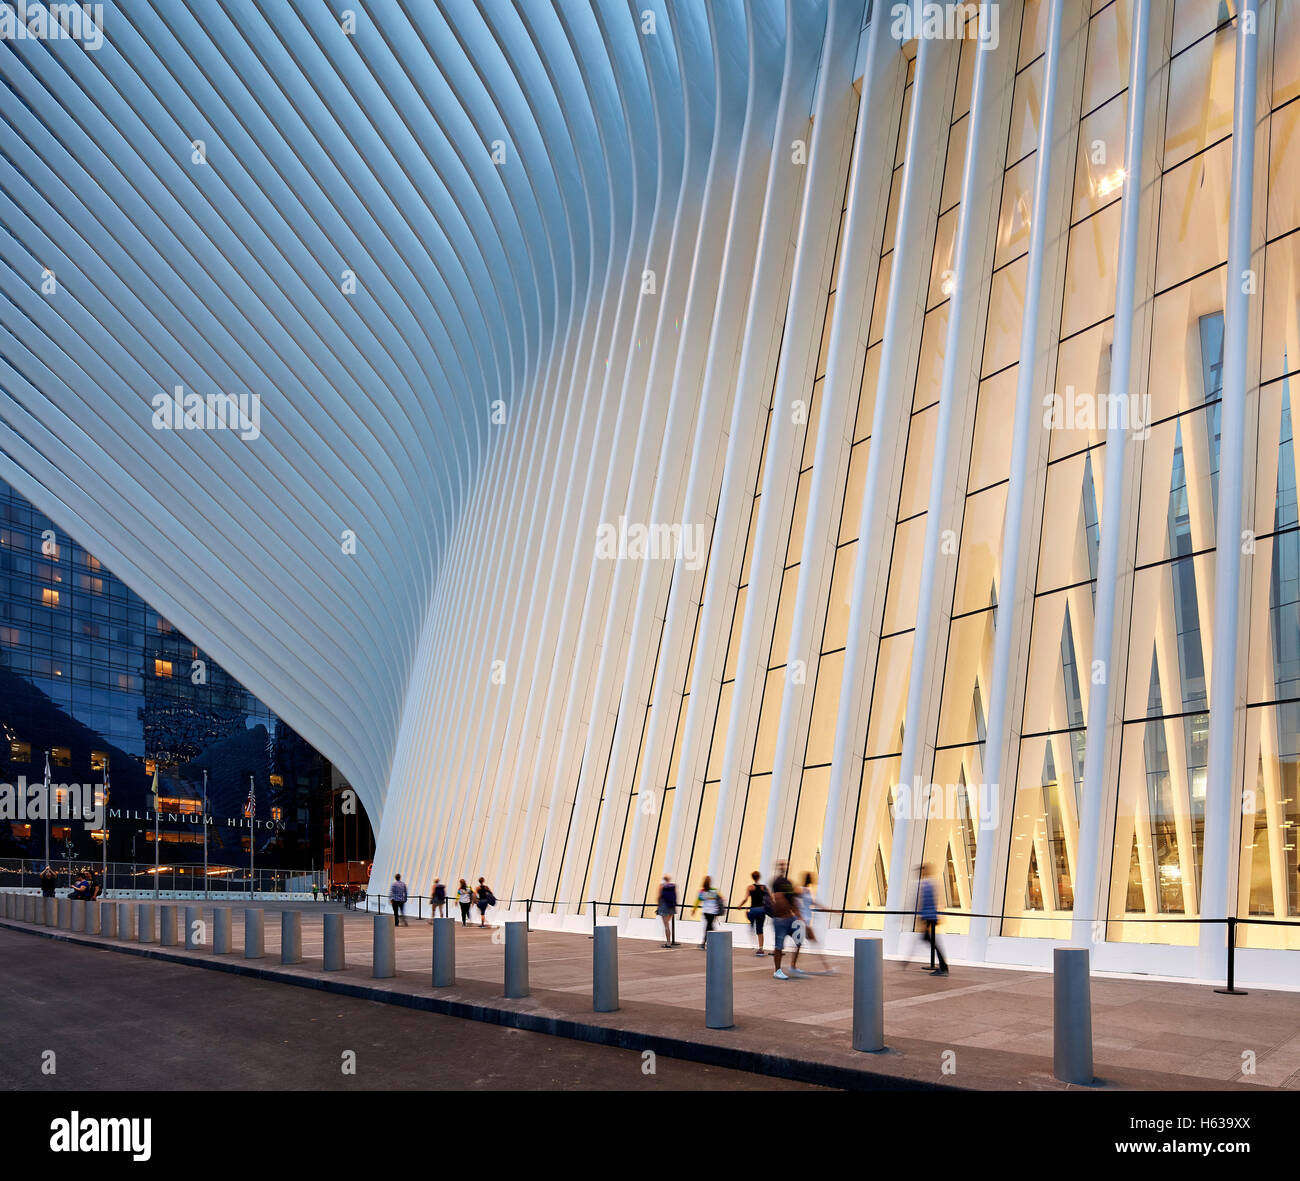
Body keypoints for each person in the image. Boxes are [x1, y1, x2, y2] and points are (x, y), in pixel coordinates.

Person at [794, 871, 836, 974]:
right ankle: (827, 968)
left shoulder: (807, 891)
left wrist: (831, 910)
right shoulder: (800, 890)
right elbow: (793, 899)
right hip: (802, 921)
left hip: (807, 922)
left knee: (802, 945)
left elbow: (815, 903)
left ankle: (793, 966)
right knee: (811, 943)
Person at [768, 860, 803, 980]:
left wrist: (798, 915)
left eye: (785, 864)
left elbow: (792, 900)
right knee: (779, 946)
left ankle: (793, 966)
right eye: (781, 865)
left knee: (799, 941)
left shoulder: (788, 882)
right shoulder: (776, 882)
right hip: (780, 920)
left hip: (791, 918)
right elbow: (774, 898)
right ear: (778, 867)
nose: (783, 867)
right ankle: (777, 971)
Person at [916, 863, 948, 976]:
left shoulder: (926, 884)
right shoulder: (930, 883)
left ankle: (944, 968)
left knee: (931, 940)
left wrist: (922, 918)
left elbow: (926, 903)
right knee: (930, 940)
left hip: (928, 917)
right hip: (930, 916)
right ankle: (943, 967)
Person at [692, 876, 724, 949]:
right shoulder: (714, 891)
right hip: (713, 912)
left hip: (706, 912)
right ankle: (710, 942)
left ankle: (705, 943)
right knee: (709, 927)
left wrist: (694, 910)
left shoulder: (702, 892)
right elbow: (722, 898)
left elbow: (697, 901)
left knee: (709, 927)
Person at [745, 870, 769, 956]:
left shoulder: (750, 887)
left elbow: (745, 899)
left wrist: (740, 906)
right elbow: (770, 897)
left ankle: (750, 922)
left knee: (749, 916)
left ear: (752, 877)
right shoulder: (763, 887)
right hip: (762, 910)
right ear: (759, 877)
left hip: (753, 910)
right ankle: (761, 949)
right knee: (760, 930)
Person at [655, 875, 678, 947]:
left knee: (666, 926)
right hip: (671, 907)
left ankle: (668, 943)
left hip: (664, 907)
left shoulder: (661, 886)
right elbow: (676, 896)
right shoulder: (673, 886)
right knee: (667, 923)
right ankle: (669, 941)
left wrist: (658, 906)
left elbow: (659, 896)